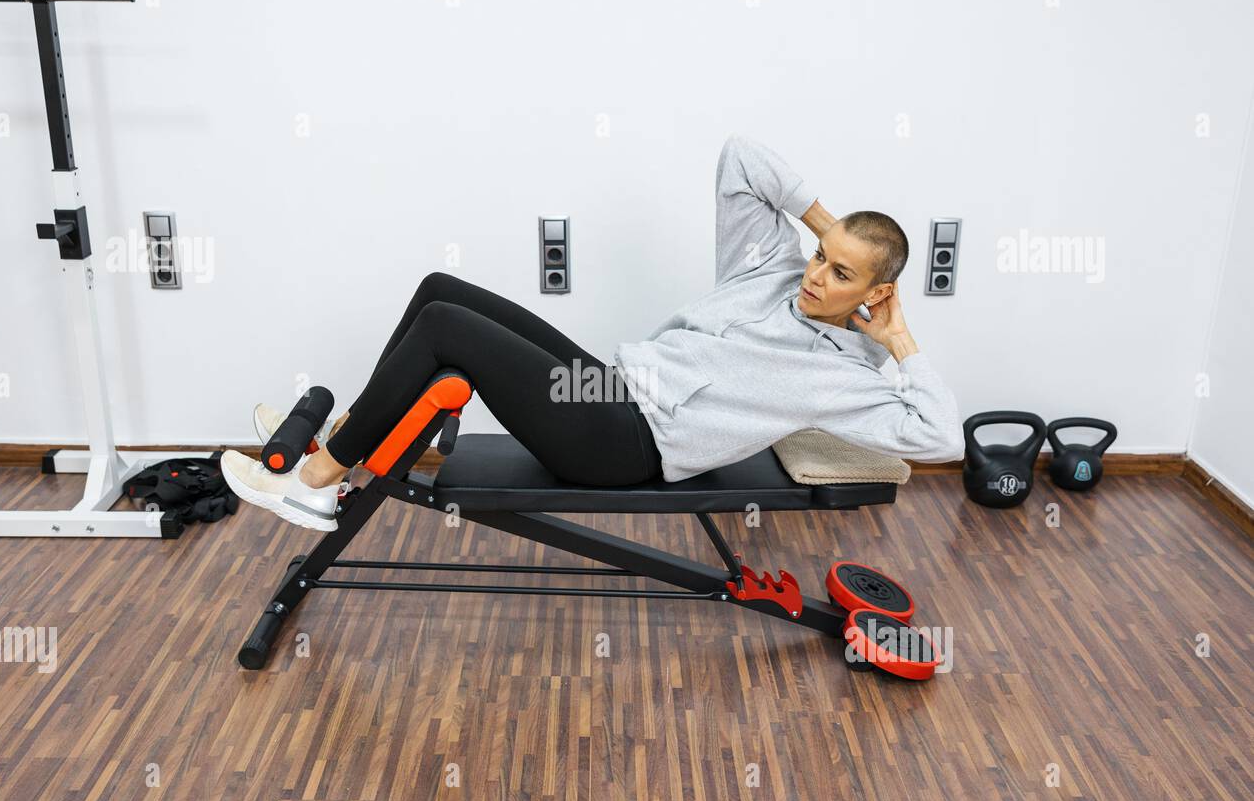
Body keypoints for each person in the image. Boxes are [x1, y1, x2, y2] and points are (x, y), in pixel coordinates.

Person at [221, 134, 964, 530]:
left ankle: (317, 483)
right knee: (440, 289)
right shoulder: (773, 268)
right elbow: (742, 156)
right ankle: (352, 433)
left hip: (626, 445)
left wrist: (900, 342)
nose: (816, 275)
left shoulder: (843, 373)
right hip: (609, 387)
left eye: (841, 273)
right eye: (821, 257)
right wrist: (834, 231)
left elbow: (941, 437)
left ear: (879, 293)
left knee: (447, 328)